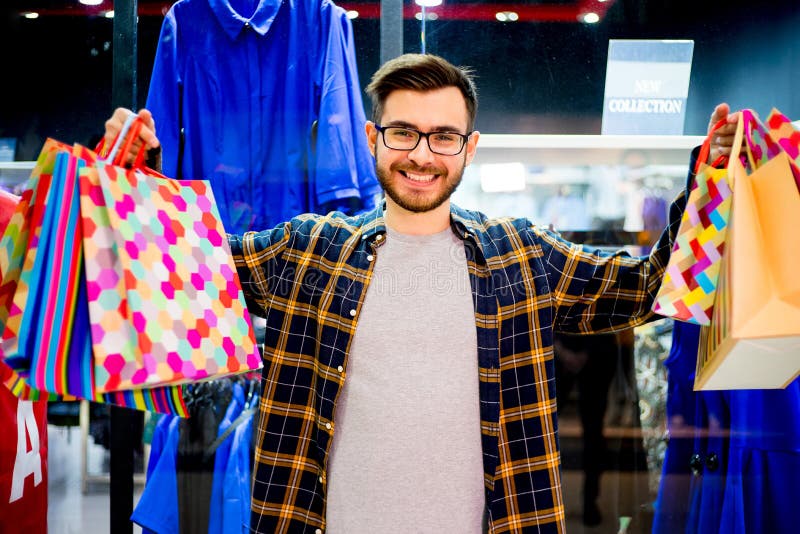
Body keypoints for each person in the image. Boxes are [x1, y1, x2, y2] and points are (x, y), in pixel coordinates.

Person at [105, 53, 737, 533]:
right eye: (403, 132)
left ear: (470, 148)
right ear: (375, 138)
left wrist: (709, 179)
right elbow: (185, 275)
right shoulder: (307, 249)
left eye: (444, 137)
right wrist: (135, 179)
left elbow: (646, 287)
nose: (423, 155)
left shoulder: (522, 254)